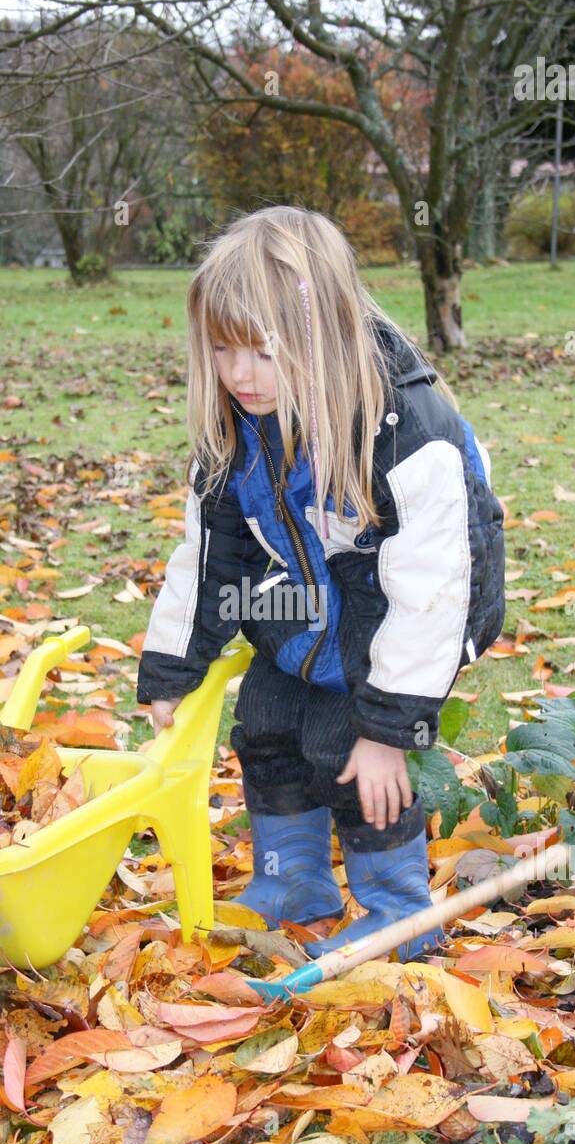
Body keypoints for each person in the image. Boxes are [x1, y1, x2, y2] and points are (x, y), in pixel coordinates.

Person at [135, 205, 505, 961]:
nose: (241, 374)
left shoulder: (404, 428)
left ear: (323, 335)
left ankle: (399, 913)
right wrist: (172, 668)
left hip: (408, 618)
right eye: (224, 351)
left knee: (349, 747)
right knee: (267, 723)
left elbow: (436, 590)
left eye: (264, 353)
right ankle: (292, 879)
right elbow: (211, 557)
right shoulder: (236, 426)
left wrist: (390, 730)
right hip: (306, 608)